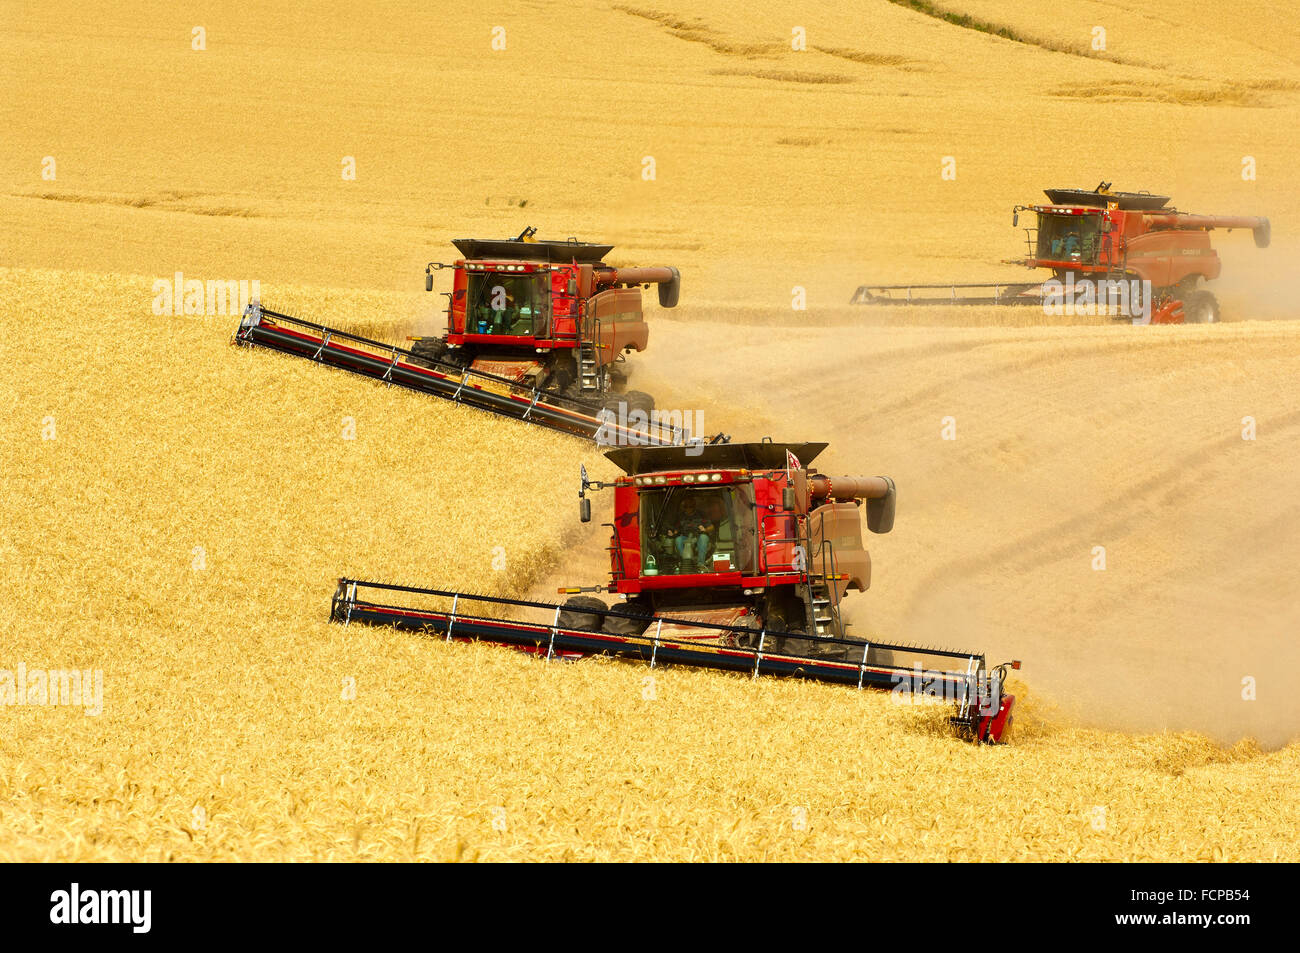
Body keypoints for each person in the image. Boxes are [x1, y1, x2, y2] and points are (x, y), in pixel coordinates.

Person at [672, 495, 716, 571]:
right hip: (685, 537)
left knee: (704, 538)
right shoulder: (681, 516)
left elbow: (711, 527)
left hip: (698, 536)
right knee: (678, 540)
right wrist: (673, 533)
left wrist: (705, 530)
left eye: (690, 506)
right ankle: (685, 562)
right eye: (686, 506)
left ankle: (701, 564)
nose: (688, 508)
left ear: (694, 506)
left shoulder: (701, 515)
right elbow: (676, 529)